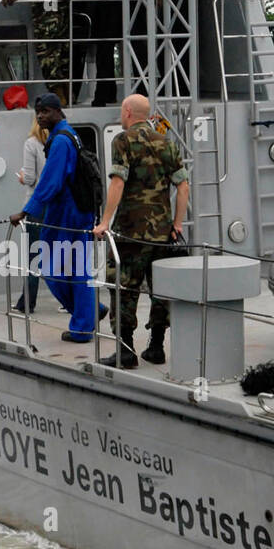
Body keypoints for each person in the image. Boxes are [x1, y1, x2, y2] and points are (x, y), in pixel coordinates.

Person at [92, 94, 190, 368]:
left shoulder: (123, 141)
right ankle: (156, 347)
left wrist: (104, 222)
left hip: (131, 233)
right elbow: (183, 187)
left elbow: (118, 182)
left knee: (123, 289)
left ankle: (125, 351)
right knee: (160, 291)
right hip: (162, 233)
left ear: (127, 112)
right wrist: (177, 224)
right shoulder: (166, 143)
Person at [9, 93, 100, 342]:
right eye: (38, 112)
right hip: (72, 213)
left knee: (56, 269)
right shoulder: (68, 135)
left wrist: (26, 211)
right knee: (69, 268)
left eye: (46, 111)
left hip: (68, 215)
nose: (40, 116)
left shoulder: (60, 141)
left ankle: (82, 326)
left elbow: (50, 181)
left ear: (59, 112)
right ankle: (91, 310)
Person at [13, 114, 47, 312]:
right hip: (57, 206)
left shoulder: (32, 144)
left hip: (36, 206)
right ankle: (68, 301)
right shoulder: (59, 141)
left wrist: (22, 177)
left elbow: (30, 179)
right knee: (60, 252)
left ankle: (27, 302)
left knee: (33, 256)